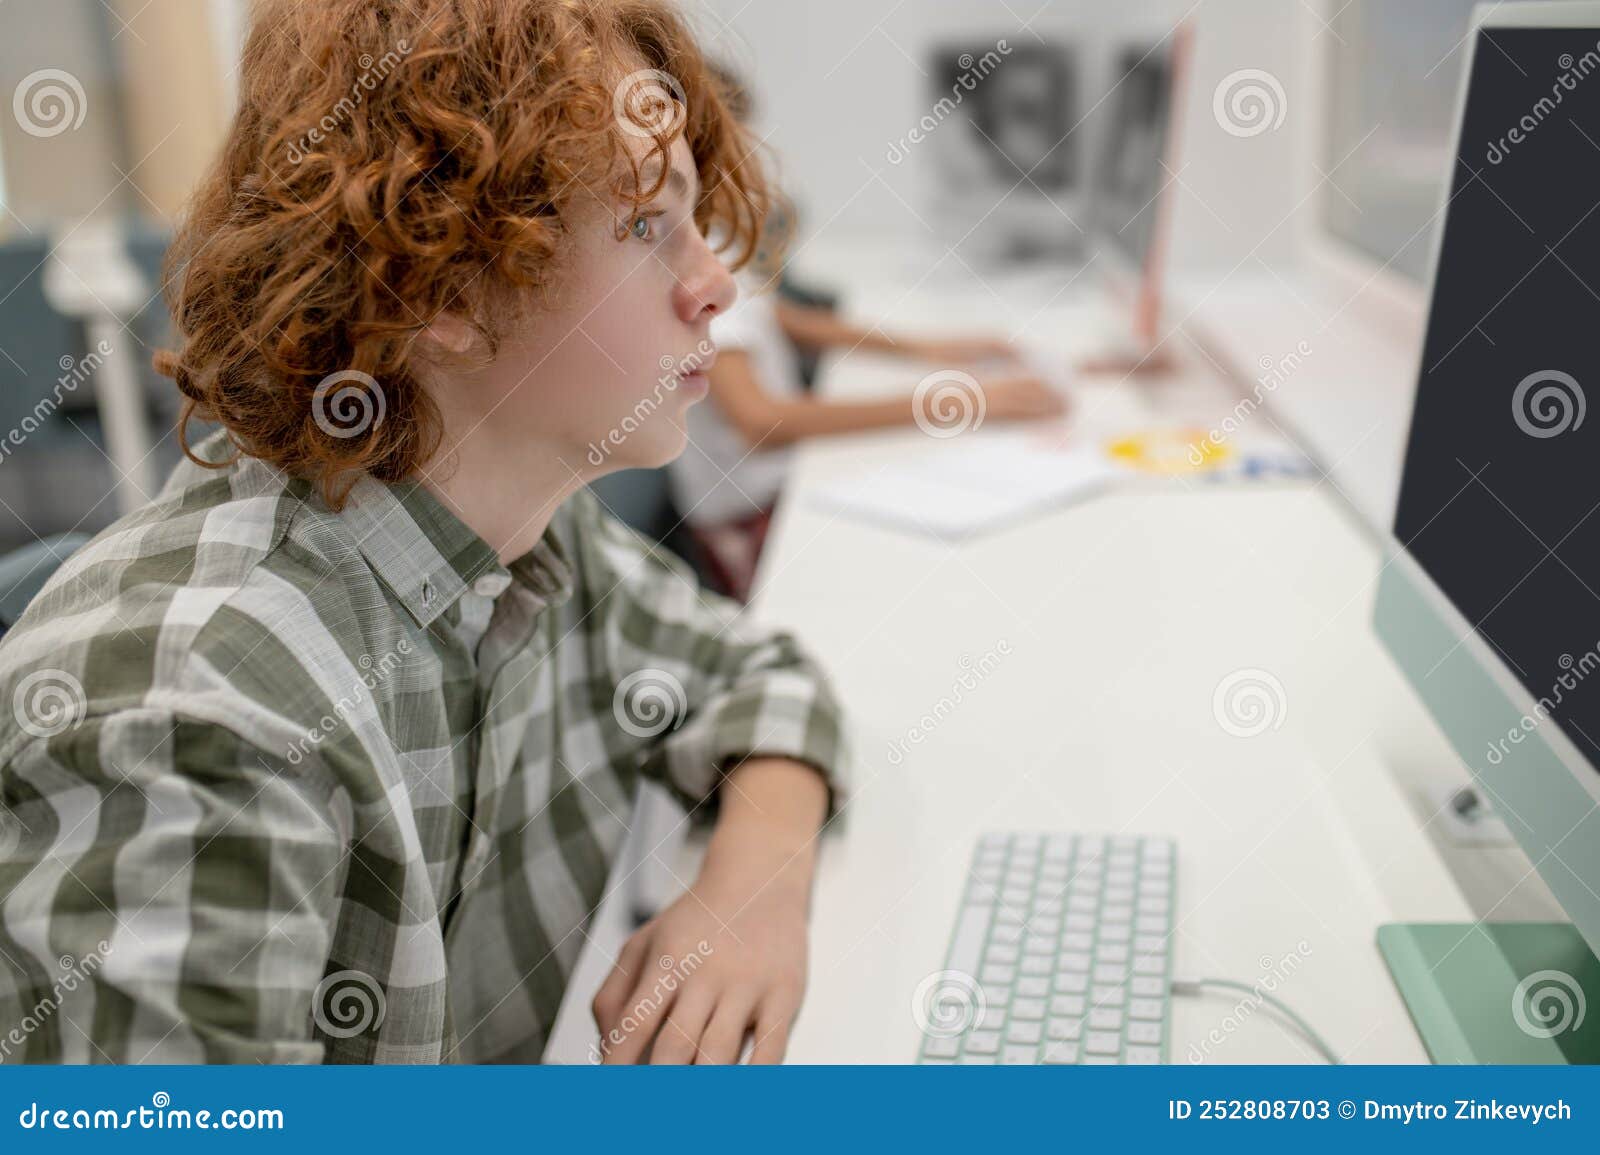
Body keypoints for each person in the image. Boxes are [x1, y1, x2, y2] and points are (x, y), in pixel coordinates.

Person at [0, 0, 845, 1065]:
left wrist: (751, 893)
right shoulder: (201, 721)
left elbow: (758, 674)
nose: (714, 282)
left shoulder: (532, 543)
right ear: (437, 282)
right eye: (643, 227)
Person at [668, 71, 1066, 602]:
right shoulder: (694, 258)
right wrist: (946, 401)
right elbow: (758, 422)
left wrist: (924, 349)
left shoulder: (712, 239)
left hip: (779, 490)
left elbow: (776, 316)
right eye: (734, 139)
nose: (750, 157)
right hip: (752, 521)